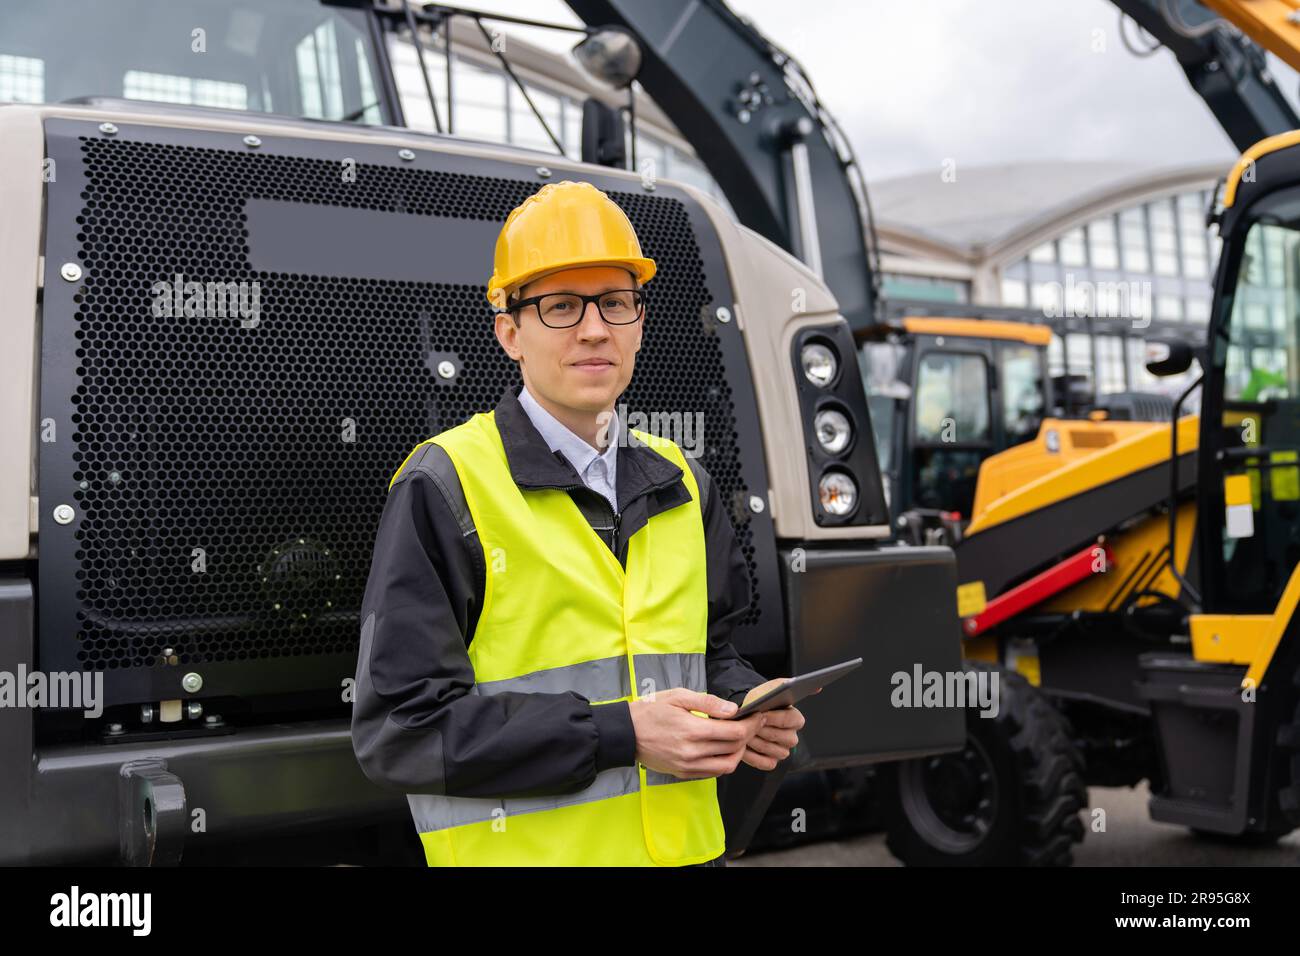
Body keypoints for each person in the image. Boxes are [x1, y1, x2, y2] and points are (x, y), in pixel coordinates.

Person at [350, 179, 805, 867]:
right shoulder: (445, 486)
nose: (595, 329)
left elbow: (707, 654)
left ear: (640, 324)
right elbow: (401, 732)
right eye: (561, 306)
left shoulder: (684, 481)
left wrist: (744, 703)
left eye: (615, 304)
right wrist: (624, 733)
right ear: (510, 332)